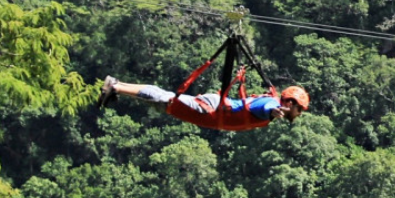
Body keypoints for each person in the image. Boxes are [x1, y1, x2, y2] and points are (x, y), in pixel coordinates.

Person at [97, 76, 310, 125]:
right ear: (290, 104)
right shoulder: (270, 105)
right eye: (299, 110)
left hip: (215, 105)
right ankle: (114, 87)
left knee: (166, 96)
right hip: (211, 109)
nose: (298, 114)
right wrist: (275, 111)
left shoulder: (271, 100)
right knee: (167, 101)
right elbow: (267, 108)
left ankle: (116, 84)